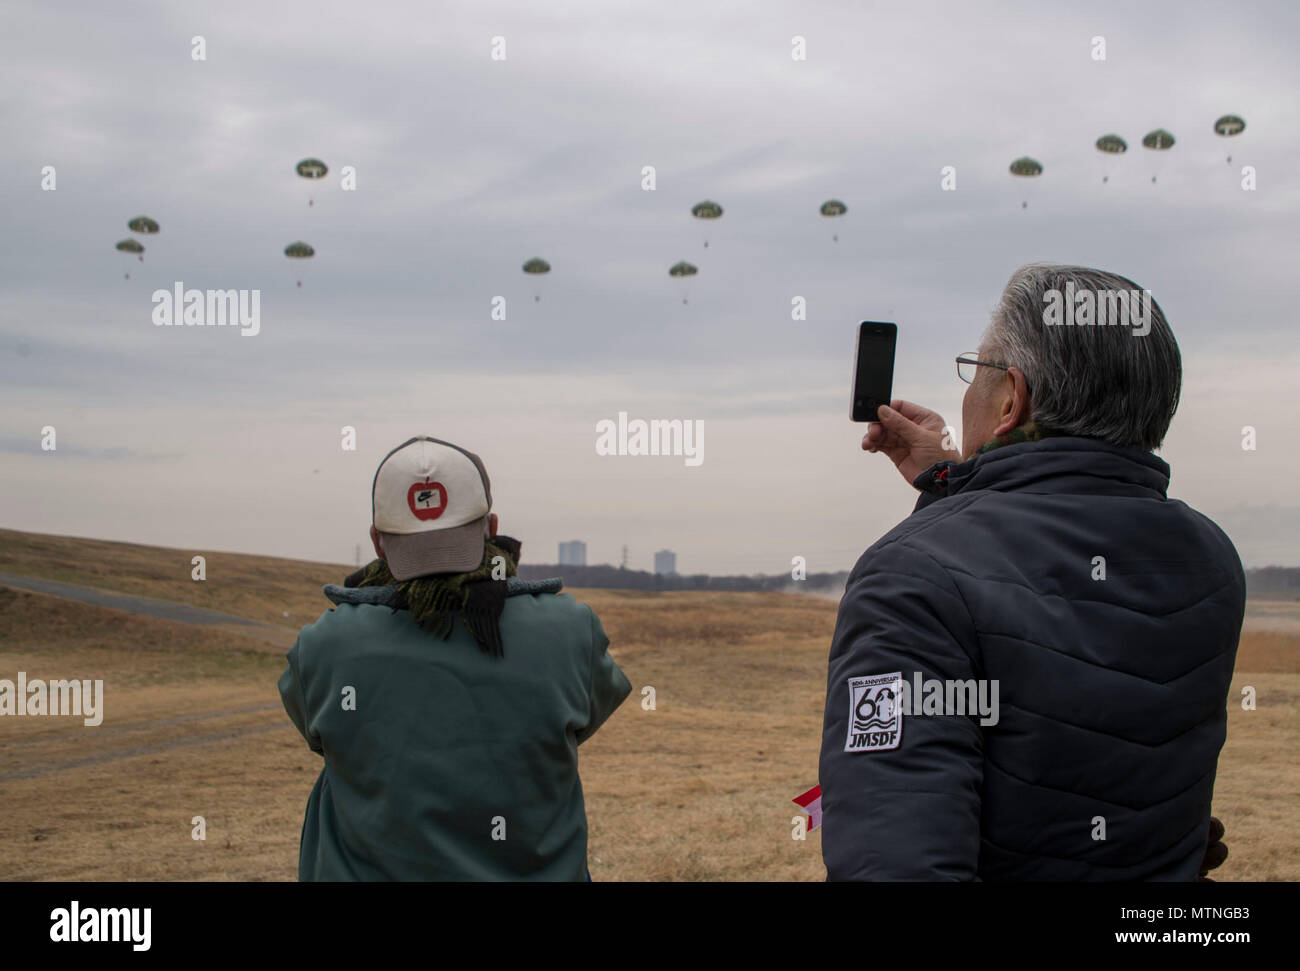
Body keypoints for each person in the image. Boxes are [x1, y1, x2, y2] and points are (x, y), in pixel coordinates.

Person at [819, 264, 1244, 880]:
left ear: (1012, 399)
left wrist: (958, 511)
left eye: (978, 372)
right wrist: (953, 483)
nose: (969, 392)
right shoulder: (1208, 558)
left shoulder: (909, 578)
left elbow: (897, 860)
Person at [279, 436, 631, 880]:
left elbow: (321, 737)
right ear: (491, 526)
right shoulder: (570, 629)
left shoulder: (325, 644)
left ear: (378, 541)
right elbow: (576, 722)